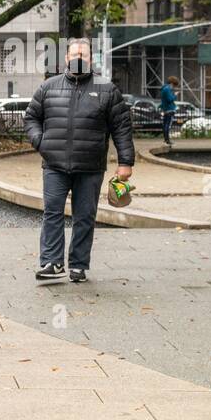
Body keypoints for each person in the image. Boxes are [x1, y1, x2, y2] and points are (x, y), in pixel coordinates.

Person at [23, 39, 134, 284]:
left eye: (83, 54)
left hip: (91, 166)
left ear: (90, 59)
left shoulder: (107, 89)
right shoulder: (48, 87)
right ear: (66, 58)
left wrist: (125, 162)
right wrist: (40, 142)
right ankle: (52, 262)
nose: (79, 58)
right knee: (52, 213)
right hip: (54, 164)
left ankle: (78, 266)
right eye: (74, 54)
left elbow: (122, 128)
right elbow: (31, 117)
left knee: (84, 216)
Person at [159, 76, 179, 146]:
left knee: (165, 125)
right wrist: (175, 95)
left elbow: (163, 100)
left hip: (166, 109)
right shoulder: (167, 89)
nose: (173, 88)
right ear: (172, 83)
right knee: (168, 125)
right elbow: (170, 99)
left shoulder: (164, 89)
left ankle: (166, 139)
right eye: (174, 85)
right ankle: (167, 140)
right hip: (170, 109)